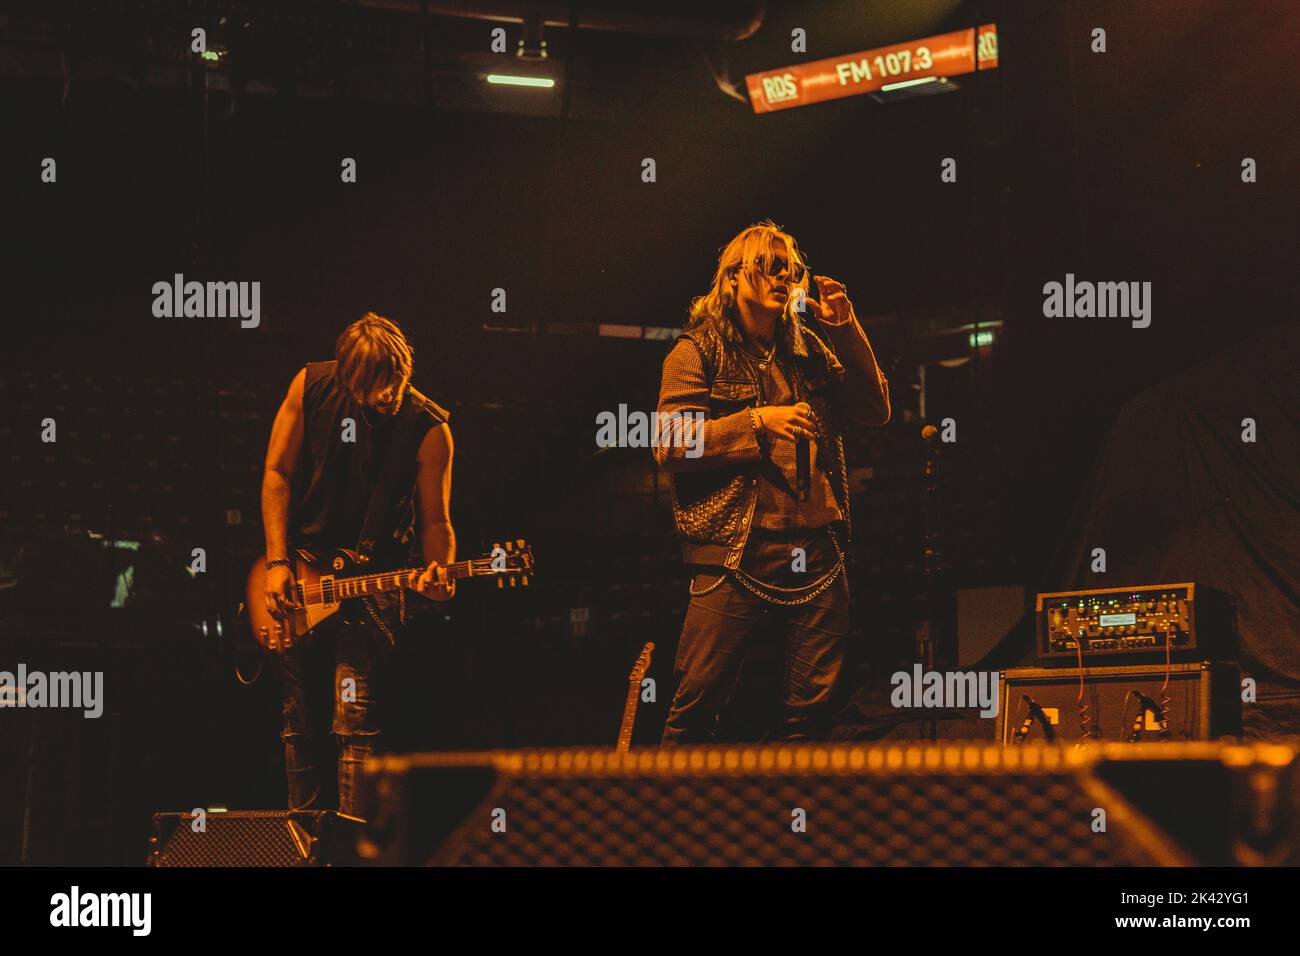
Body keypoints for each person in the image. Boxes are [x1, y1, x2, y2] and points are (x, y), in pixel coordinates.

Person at [654, 221, 890, 744]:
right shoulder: (698, 352)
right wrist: (758, 421)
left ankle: (796, 819)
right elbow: (670, 444)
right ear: (734, 277)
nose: (783, 277)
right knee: (697, 701)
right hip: (736, 550)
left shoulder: (806, 346)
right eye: (770, 265)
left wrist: (846, 327)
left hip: (818, 545)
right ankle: (667, 816)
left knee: (811, 715)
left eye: (791, 268)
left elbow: (875, 409)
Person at [260, 312, 455, 814]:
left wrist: (440, 571)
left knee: (355, 722)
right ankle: (302, 840)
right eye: (373, 386)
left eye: (394, 382)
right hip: (302, 573)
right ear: (348, 376)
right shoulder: (310, 385)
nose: (386, 395)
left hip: (372, 587)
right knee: (297, 725)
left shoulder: (428, 427)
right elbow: (277, 471)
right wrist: (277, 560)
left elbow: (436, 522)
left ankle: (352, 847)